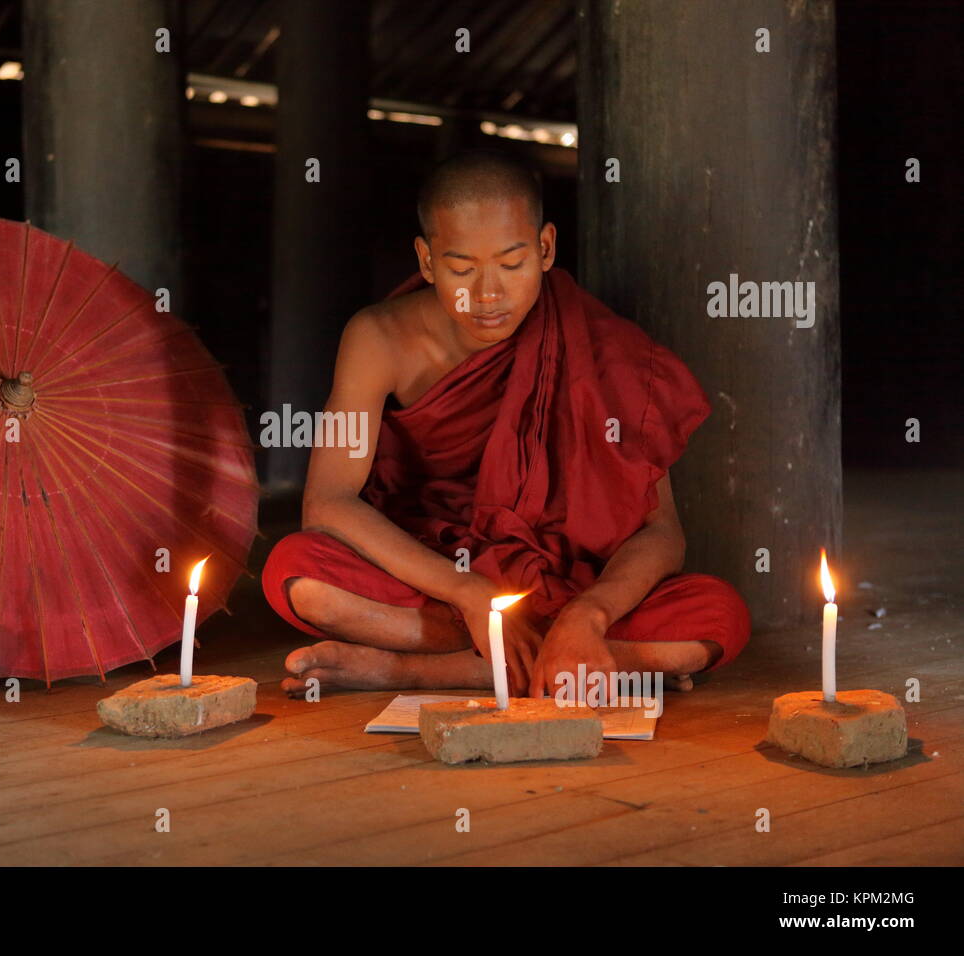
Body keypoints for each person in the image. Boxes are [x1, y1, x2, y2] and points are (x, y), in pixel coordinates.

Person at [262, 149, 750, 699]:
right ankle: (584, 663)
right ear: (425, 261)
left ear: (545, 248)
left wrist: (588, 614)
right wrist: (468, 592)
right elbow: (327, 503)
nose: (488, 294)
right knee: (300, 576)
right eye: (462, 269)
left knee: (716, 617)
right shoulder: (379, 339)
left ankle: (409, 670)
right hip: (439, 571)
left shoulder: (602, 348)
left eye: (512, 264)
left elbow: (662, 532)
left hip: (565, 581)